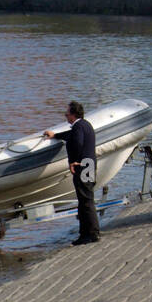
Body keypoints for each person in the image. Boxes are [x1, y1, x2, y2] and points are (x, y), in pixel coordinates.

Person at [43, 100, 98, 245]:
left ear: (73, 115)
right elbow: (71, 135)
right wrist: (55, 135)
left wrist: (74, 161)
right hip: (90, 165)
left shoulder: (78, 127)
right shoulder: (84, 125)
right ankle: (88, 233)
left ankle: (91, 235)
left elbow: (77, 142)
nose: (65, 116)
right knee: (86, 200)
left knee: (85, 201)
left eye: (66, 113)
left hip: (83, 166)